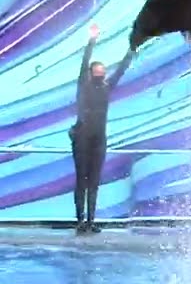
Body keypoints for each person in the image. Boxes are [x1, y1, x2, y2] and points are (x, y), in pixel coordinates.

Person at [70, 23, 135, 235]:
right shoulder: (84, 84)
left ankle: (91, 221)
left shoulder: (107, 87)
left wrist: (132, 49)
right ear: (91, 73)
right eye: (97, 72)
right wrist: (92, 40)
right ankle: (80, 221)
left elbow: (122, 69)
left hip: (99, 139)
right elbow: (84, 63)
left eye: (103, 72)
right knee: (82, 180)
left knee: (94, 182)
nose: (101, 74)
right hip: (81, 138)